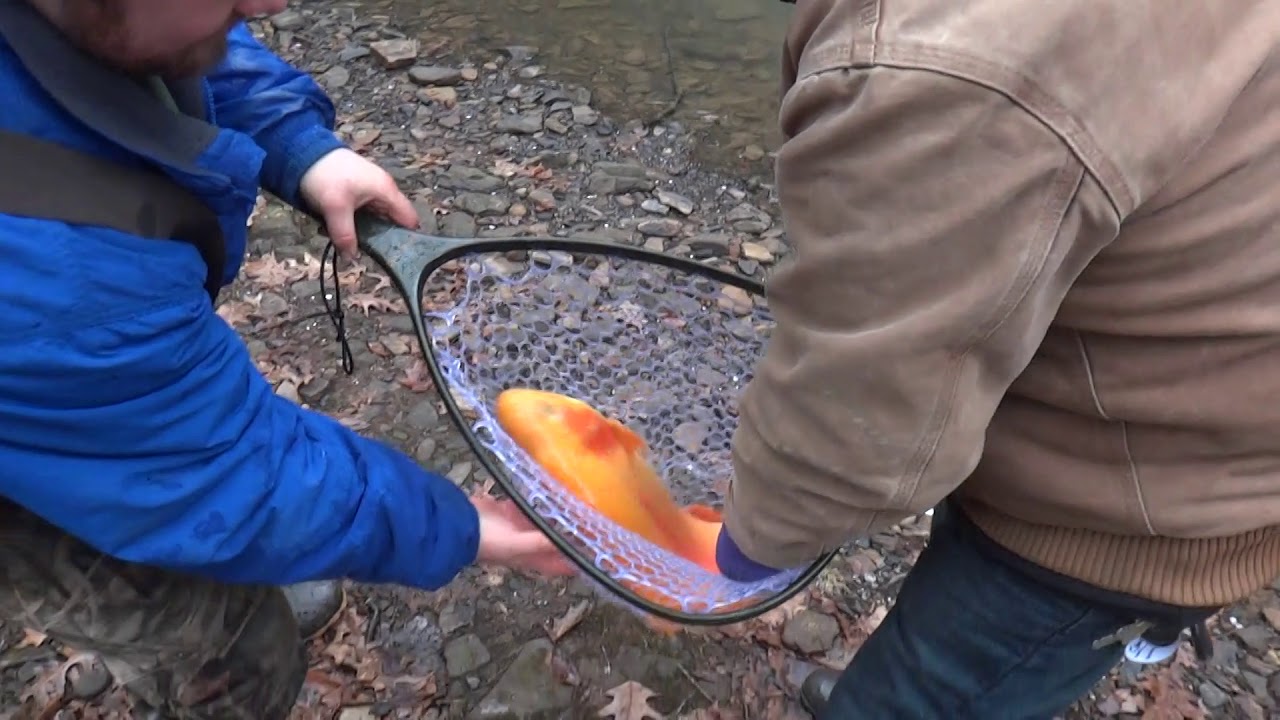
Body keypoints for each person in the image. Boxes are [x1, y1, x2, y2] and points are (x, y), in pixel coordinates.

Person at [0, 1, 570, 718]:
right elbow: (228, 473)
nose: (273, 5)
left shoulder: (111, 19)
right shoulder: (70, 286)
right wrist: (461, 526)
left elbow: (161, 56)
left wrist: (304, 148)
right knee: (243, 649)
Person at [712, 0, 1280, 717]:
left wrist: (741, 552)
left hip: (1135, 499)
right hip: (1184, 347)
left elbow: (861, 411)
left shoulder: (954, 65)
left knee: (948, 679)